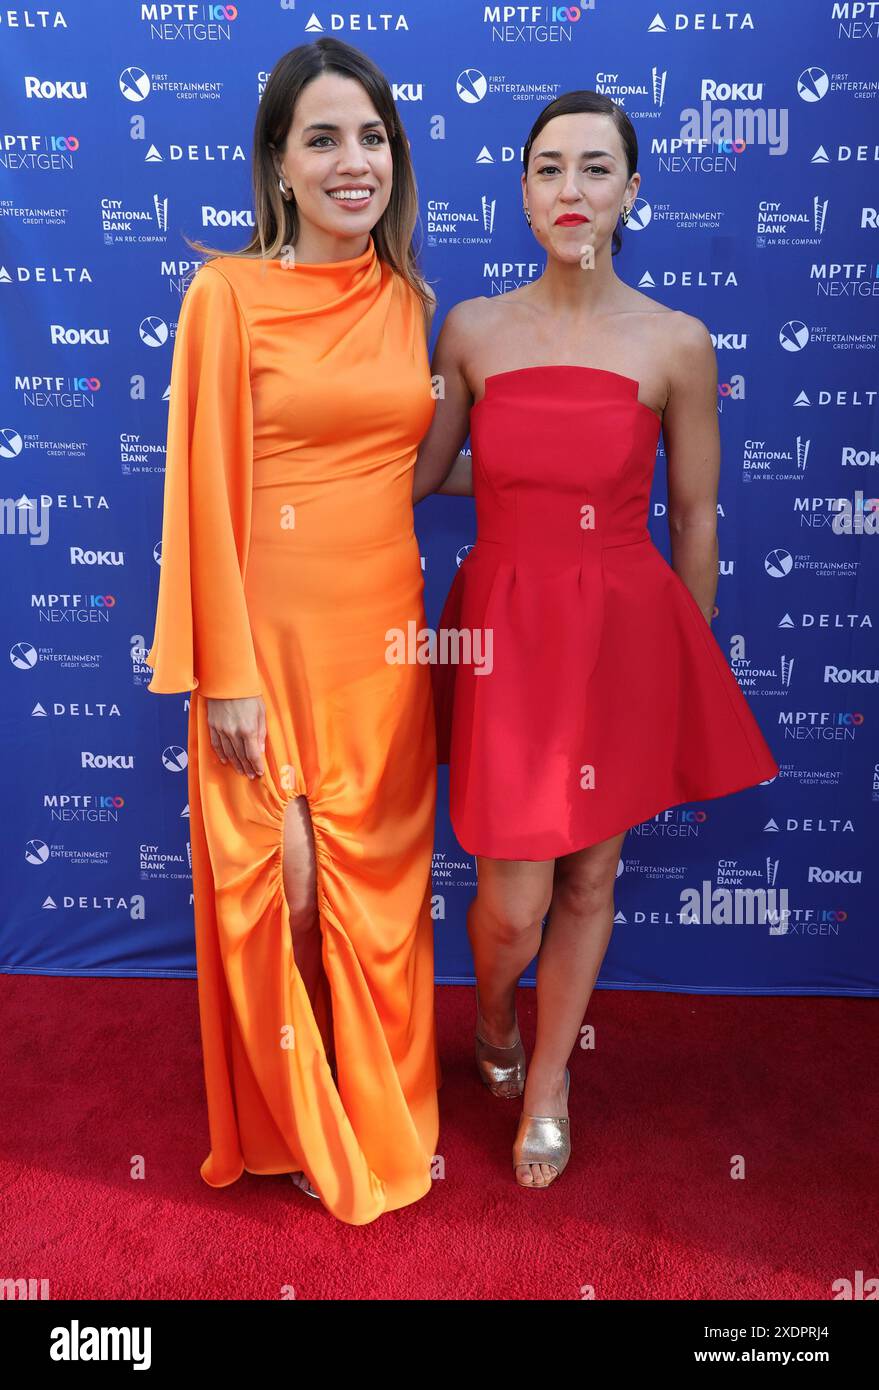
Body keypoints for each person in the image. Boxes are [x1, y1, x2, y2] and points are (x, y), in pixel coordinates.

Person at [413, 91, 780, 1190]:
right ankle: (492, 1015)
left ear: (632, 191)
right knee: (512, 905)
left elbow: (698, 516)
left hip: (621, 633)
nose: (570, 190)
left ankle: (549, 1081)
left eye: (594, 169)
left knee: (589, 880)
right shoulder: (473, 328)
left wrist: (684, 659)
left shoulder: (677, 341)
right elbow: (427, 474)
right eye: (548, 170)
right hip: (509, 637)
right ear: (523, 194)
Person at [145, 38, 442, 1226]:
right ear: (278, 163)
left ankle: (381, 1114)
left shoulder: (411, 301)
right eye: (323, 138)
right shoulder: (226, 293)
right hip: (267, 643)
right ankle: (294, 1116)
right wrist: (224, 670)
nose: (352, 160)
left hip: (388, 648)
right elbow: (199, 490)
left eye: (370, 136)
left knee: (379, 901)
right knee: (293, 895)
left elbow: (409, 471)